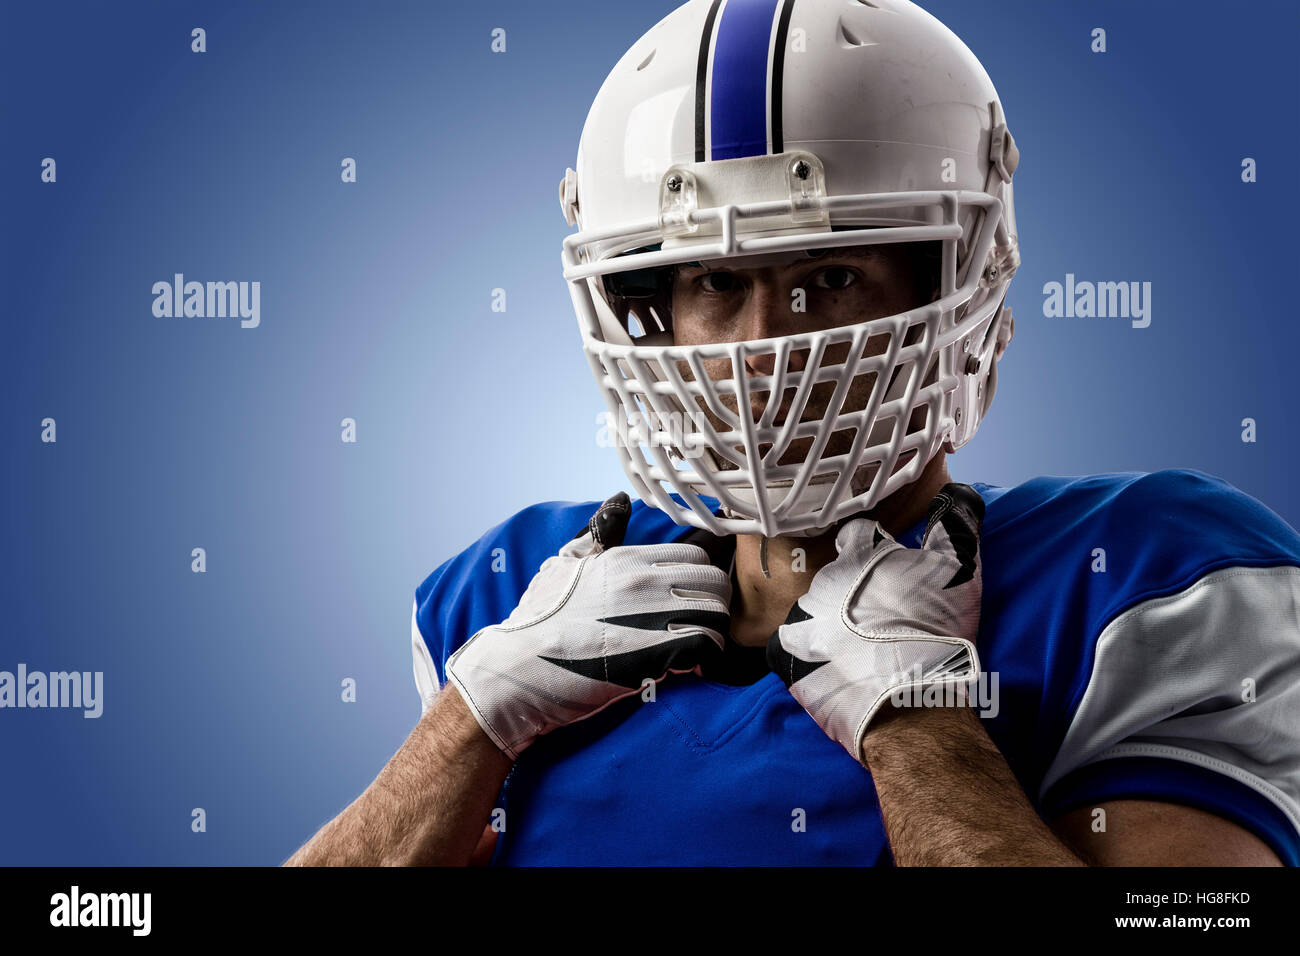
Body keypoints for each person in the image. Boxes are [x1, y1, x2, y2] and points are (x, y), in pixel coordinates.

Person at [285, 0, 1300, 866]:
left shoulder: (1133, 578)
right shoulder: (509, 591)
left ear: (954, 285)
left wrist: (916, 722)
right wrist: (472, 718)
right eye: (717, 282)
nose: (764, 345)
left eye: (829, 278)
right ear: (651, 308)